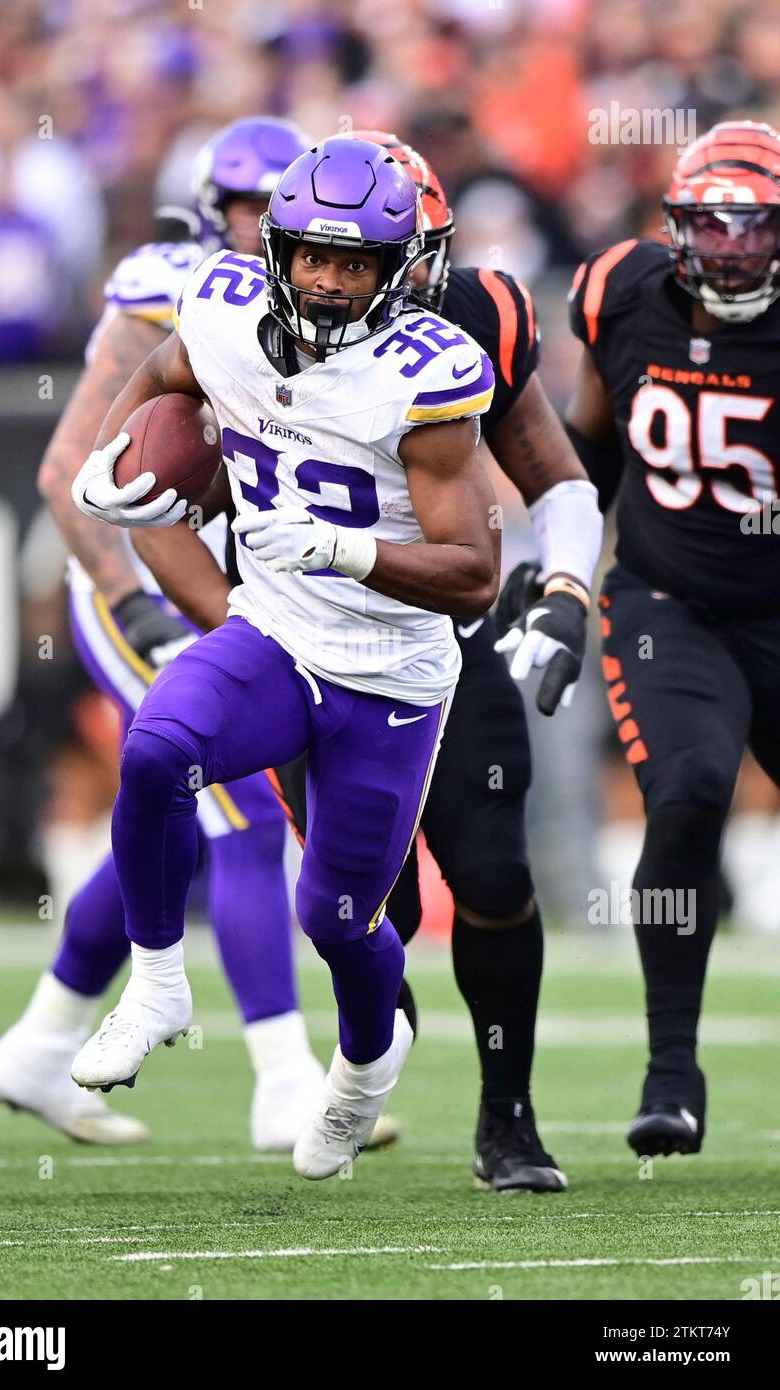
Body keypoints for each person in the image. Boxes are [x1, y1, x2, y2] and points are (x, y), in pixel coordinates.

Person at [69, 137, 499, 1180]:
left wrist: (346, 547)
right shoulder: (215, 306)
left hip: (386, 673)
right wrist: (113, 454)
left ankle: (358, 1075)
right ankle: (159, 981)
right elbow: (166, 370)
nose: (327, 279)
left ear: (396, 271)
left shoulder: (424, 374)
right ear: (274, 247)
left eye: (354, 264)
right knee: (156, 748)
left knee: (338, 917)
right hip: (272, 627)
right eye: (310, 255)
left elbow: (473, 574)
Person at [0, 118, 331, 1153]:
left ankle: (39, 1045)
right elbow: (64, 471)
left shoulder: (326, 309)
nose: (274, 236)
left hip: (240, 586)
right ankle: (281, 1082)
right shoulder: (167, 291)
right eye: (250, 212)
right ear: (206, 212)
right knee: (246, 817)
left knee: (170, 838)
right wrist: (126, 598)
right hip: (138, 579)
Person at [263, 133, 603, 1192]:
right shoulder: (251, 323)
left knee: (495, 876)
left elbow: (554, 476)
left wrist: (566, 591)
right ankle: (367, 1064)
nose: (340, 281)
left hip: (445, 641)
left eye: (381, 254)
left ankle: (507, 1119)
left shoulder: (473, 317)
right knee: (366, 906)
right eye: (322, 255)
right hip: (314, 647)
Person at [563, 120, 780, 1156]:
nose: (732, 246)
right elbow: (586, 445)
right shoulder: (617, 290)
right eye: (711, 224)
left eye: (754, 227)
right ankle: (669, 1065)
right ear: (674, 229)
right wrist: (557, 571)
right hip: (668, 601)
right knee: (690, 787)